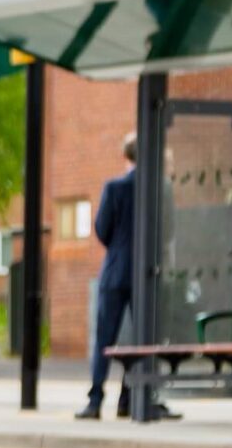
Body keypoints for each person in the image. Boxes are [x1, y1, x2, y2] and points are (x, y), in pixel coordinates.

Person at [76, 134, 179, 421]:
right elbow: (168, 230)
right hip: (147, 275)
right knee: (144, 339)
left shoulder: (115, 187)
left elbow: (101, 229)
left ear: (127, 156)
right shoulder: (162, 189)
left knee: (104, 339)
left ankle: (95, 399)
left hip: (116, 271)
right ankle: (130, 397)